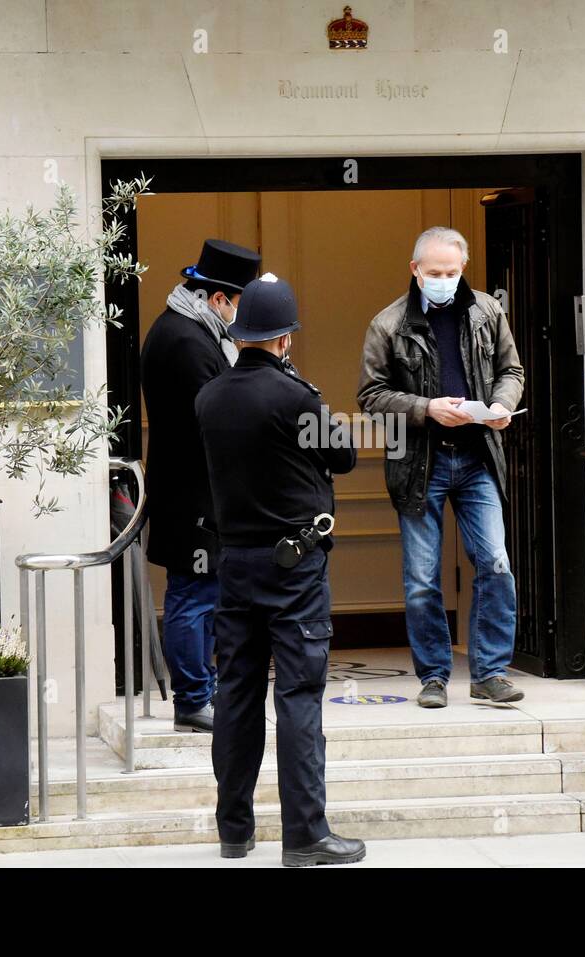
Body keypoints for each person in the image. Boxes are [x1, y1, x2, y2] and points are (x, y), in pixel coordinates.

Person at [196, 272, 366, 867]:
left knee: (236, 695)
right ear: (285, 336)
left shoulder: (209, 396)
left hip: (234, 566)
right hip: (293, 569)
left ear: (240, 335)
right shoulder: (296, 397)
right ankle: (305, 836)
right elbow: (342, 456)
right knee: (297, 696)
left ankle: (234, 831)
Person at [356, 226, 525, 708]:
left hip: (476, 457)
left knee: (495, 562)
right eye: (435, 273)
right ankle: (433, 676)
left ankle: (490, 672)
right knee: (423, 578)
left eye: (452, 272)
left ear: (463, 268)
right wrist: (427, 407)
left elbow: (512, 371)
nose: (445, 280)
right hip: (419, 462)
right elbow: (370, 396)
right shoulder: (387, 323)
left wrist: (500, 404)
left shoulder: (487, 312)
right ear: (415, 270)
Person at [140, 239, 261, 733]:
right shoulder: (189, 342)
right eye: (239, 305)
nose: (241, 317)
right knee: (192, 597)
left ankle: (200, 692)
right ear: (218, 299)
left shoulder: (186, 329)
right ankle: (193, 699)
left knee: (202, 595)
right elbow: (213, 420)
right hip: (192, 496)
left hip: (192, 493)